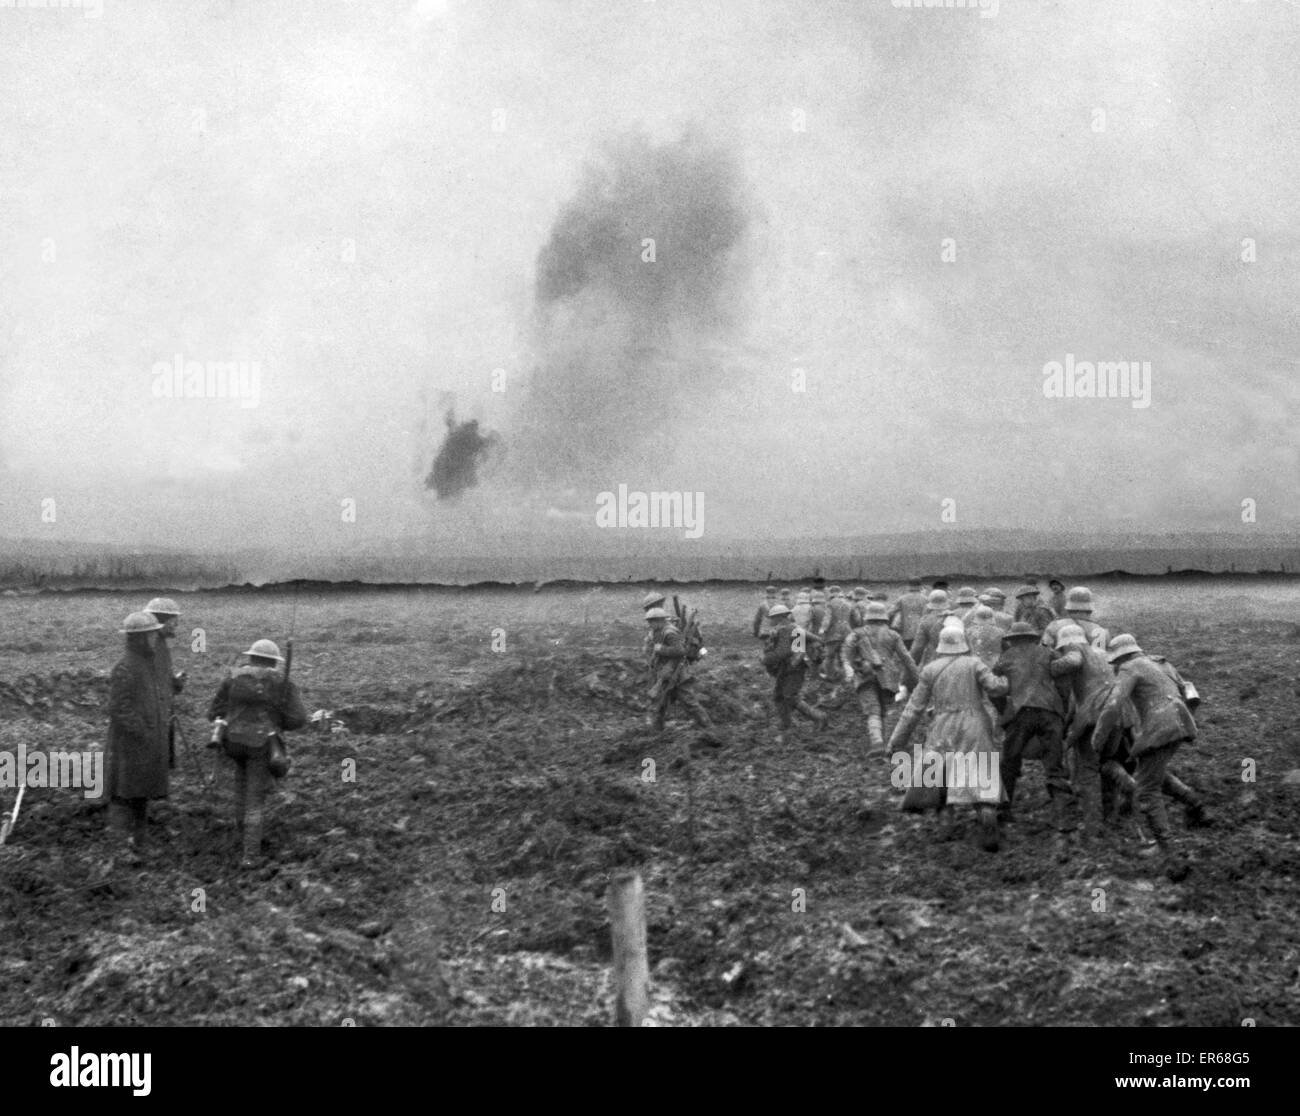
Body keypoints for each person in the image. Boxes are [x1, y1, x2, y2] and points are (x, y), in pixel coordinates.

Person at [888, 625, 1009, 851]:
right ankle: (987, 813)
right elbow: (995, 688)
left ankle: (945, 824)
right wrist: (1007, 680)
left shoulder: (930, 670)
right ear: (963, 643)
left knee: (940, 775)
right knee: (980, 771)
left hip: (942, 726)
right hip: (975, 724)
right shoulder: (975, 664)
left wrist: (897, 741)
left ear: (942, 645)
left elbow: (914, 708)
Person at [1092, 635, 1201, 877]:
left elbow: (1112, 706)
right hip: (1181, 722)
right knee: (1153, 775)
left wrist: (1097, 739)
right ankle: (1196, 805)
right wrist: (1183, 719)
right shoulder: (1161, 663)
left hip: (1160, 728)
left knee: (1146, 791)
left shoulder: (1129, 668)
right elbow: (1191, 693)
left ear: (1120, 657)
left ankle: (1169, 853)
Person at [207, 638, 307, 867]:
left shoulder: (232, 678)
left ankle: (242, 841)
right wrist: (279, 721)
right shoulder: (282, 682)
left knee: (241, 789)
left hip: (233, 743)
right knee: (255, 800)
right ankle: (251, 856)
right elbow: (299, 718)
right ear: (273, 661)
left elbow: (213, 712)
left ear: (250, 657)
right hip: (262, 745)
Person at [994, 621, 1076, 860]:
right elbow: (1063, 686)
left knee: (1009, 762)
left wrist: (1003, 712)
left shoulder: (1005, 657)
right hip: (1050, 712)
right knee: (1054, 766)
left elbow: (994, 689)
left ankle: (1003, 811)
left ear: (1013, 639)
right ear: (1033, 637)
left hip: (1020, 713)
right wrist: (1061, 714)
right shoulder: (1049, 652)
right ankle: (1064, 821)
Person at [106, 612, 169, 865]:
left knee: (141, 793)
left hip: (145, 743)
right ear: (140, 638)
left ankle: (140, 842)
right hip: (129, 745)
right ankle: (119, 848)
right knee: (123, 793)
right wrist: (141, 730)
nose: (156, 638)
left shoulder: (147, 664)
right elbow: (118, 708)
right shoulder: (125, 667)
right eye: (152, 634)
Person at [1048, 623, 1115, 830]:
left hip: (1094, 714)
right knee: (1108, 762)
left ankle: (1093, 826)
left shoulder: (1075, 651)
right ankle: (1111, 816)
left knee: (1088, 769)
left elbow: (1073, 661)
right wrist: (1067, 724)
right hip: (1119, 712)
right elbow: (1075, 703)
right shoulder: (1102, 653)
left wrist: (1047, 667)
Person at [842, 602, 919, 756]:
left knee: (872, 710)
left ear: (867, 617)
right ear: (884, 618)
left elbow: (846, 654)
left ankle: (877, 743)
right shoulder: (893, 635)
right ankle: (886, 744)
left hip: (865, 676)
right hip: (888, 677)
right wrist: (919, 680)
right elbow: (907, 659)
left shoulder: (856, 634)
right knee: (884, 709)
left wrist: (850, 670)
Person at [643, 608, 715, 736]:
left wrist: (662, 649)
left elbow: (681, 651)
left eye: (651, 621)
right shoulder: (657, 631)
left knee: (689, 702)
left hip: (678, 673)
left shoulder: (670, 632)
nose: (649, 624)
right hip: (666, 673)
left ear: (659, 621)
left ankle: (709, 729)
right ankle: (656, 732)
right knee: (660, 702)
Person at [761, 604, 827, 743]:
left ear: (779, 617)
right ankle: (786, 728)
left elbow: (783, 652)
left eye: (772, 618)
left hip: (794, 669)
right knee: (779, 697)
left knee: (790, 696)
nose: (771, 621)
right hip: (788, 667)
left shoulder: (790, 630)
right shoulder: (791, 629)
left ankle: (818, 717)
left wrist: (766, 659)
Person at [144, 597, 186, 771]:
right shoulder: (153, 644)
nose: (176, 624)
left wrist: (175, 682)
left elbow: (161, 676)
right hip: (156, 708)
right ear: (162, 620)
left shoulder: (157, 642)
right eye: (173, 620)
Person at [1043, 587, 1109, 651]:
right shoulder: (1099, 630)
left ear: (1068, 608)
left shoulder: (1054, 626)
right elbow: (1101, 657)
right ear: (1090, 610)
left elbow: (1044, 651)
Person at [818, 585, 854, 690]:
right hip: (847, 633)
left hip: (833, 634)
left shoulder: (830, 604)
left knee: (829, 656)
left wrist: (822, 629)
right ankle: (849, 677)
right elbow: (854, 618)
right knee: (845, 657)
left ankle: (831, 677)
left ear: (832, 593)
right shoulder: (848, 604)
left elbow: (827, 618)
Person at [908, 589, 953, 667]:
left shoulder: (926, 620)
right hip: (954, 660)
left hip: (933, 660)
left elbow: (918, 647)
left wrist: (910, 664)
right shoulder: (955, 617)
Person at [887, 578, 928, 651]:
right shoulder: (926, 599)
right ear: (921, 586)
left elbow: (890, 613)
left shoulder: (902, 599)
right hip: (922, 633)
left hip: (906, 633)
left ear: (908, 586)